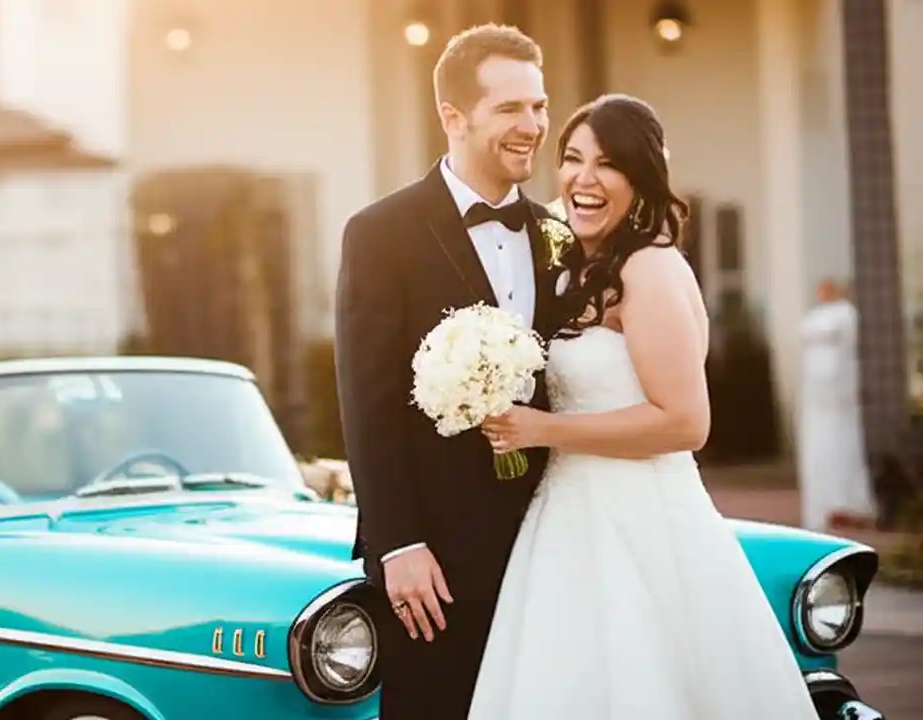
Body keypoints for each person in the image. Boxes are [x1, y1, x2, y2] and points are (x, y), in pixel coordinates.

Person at [469, 94, 818, 717]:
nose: (583, 178)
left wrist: (543, 429)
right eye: (573, 158)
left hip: (642, 526)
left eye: (607, 164)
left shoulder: (650, 269)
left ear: (641, 179)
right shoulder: (579, 268)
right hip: (566, 521)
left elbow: (685, 422)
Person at [334, 24, 564, 719]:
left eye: (539, 106)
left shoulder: (558, 234)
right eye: (510, 108)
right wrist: (398, 543)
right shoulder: (380, 233)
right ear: (453, 117)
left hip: (554, 543)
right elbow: (368, 405)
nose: (533, 126)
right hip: (435, 559)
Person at [797, 278, 877, 530]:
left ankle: (848, 502)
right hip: (816, 394)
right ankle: (826, 504)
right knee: (820, 446)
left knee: (843, 446)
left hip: (839, 393)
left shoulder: (845, 314)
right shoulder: (815, 317)